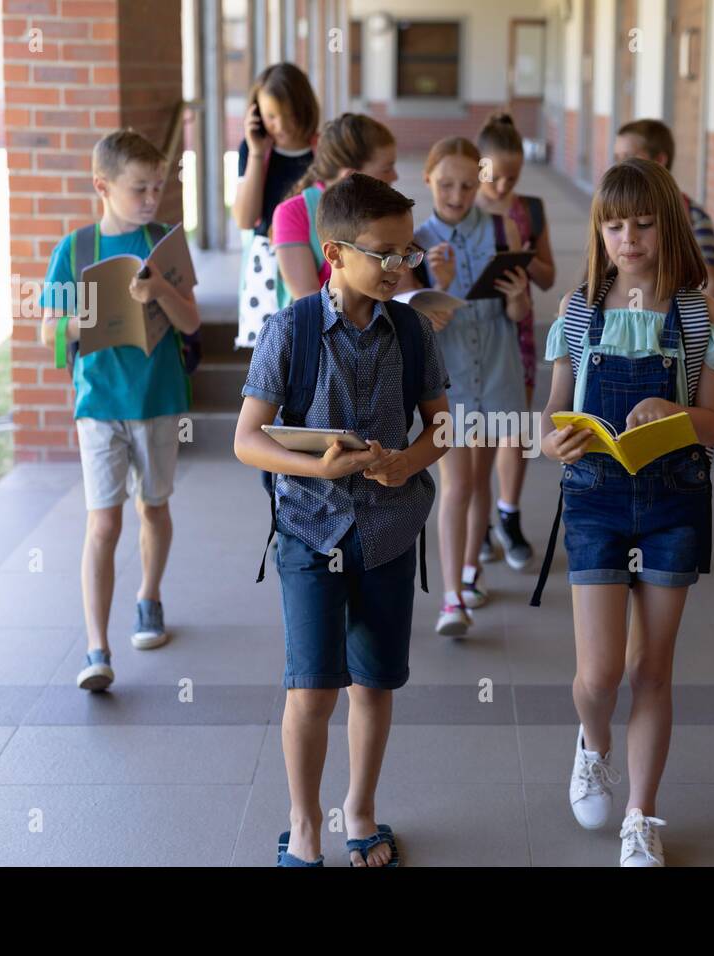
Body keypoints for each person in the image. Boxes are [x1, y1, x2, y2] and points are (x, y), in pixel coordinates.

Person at [233, 174, 451, 866]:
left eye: (407, 252)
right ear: (334, 252)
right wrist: (317, 470)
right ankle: (304, 822)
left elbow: (442, 427)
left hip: (388, 534)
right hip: (307, 531)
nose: (400, 266)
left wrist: (407, 461)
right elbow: (247, 439)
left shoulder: (414, 331)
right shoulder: (289, 330)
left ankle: (360, 810)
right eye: (384, 254)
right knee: (312, 688)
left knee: (375, 682)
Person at [538, 158, 714, 866]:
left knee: (652, 669)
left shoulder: (697, 313)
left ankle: (643, 816)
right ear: (599, 230)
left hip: (674, 498)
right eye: (614, 225)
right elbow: (555, 413)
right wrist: (554, 439)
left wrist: (675, 410)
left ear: (669, 226)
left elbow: (713, 424)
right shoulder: (580, 309)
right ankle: (593, 744)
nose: (628, 239)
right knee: (599, 677)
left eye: (644, 224)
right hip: (593, 494)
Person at [38, 129, 200, 691]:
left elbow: (193, 323)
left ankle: (149, 597)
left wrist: (159, 294)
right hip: (99, 404)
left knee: (153, 507)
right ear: (102, 186)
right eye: (140, 189)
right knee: (103, 521)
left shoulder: (164, 245)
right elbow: (51, 339)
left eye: (158, 187)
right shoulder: (77, 250)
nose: (152, 199)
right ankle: (96, 647)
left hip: (157, 399)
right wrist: (89, 317)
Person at [401, 137, 531, 636]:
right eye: (447, 183)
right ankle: (452, 599)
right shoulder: (413, 245)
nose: (457, 194)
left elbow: (516, 315)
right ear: (429, 179)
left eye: (466, 184)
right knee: (456, 485)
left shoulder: (503, 230)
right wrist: (447, 283)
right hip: (447, 385)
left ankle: (471, 573)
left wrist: (519, 296)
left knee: (480, 482)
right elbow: (425, 327)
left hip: (499, 375)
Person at [474, 112, 556, 571]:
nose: (503, 186)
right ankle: (480, 519)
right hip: (474, 331)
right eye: (493, 175)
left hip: (518, 328)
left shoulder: (532, 210)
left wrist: (520, 264)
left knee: (515, 426)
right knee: (477, 429)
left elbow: (547, 276)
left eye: (512, 177)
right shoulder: (462, 210)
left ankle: (509, 513)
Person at [270, 112, 398, 308]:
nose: (394, 176)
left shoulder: (383, 214)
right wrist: (360, 319)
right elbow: (308, 298)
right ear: (351, 177)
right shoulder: (293, 213)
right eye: (386, 169)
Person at [232, 63, 319, 347]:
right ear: (255, 114)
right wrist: (257, 154)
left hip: (314, 258)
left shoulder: (323, 150)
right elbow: (245, 219)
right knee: (271, 353)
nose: (279, 126)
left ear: (304, 109)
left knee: (309, 344)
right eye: (270, 117)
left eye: (289, 115)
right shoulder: (252, 150)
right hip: (267, 265)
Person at [613, 118, 714, 297]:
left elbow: (710, 286)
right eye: (617, 157)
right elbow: (592, 268)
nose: (620, 166)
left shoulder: (695, 217)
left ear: (660, 159)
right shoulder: (612, 210)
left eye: (628, 156)